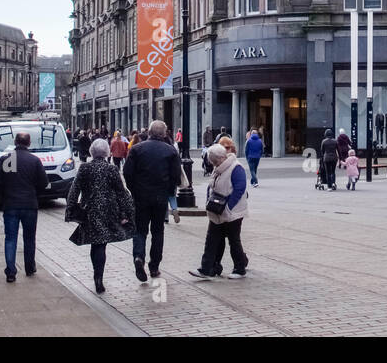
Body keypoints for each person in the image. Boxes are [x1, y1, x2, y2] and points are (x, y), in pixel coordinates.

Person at [66, 138, 135, 294]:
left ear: (91, 152)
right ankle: (99, 278)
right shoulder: (111, 169)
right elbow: (121, 192)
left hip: (89, 211)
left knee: (95, 243)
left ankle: (97, 276)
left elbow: (74, 189)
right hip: (108, 211)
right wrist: (128, 210)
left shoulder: (84, 168)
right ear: (106, 153)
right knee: (101, 243)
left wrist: (71, 209)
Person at [121, 120, 182, 282]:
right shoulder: (170, 151)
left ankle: (138, 257)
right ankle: (154, 266)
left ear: (148, 132)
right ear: (164, 134)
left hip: (141, 196)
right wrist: (168, 192)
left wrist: (134, 190)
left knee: (140, 230)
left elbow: (127, 173)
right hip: (160, 197)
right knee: (158, 231)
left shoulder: (136, 149)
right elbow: (175, 176)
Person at [0, 132, 49, 282]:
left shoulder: (5, 159)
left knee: (10, 238)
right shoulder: (34, 161)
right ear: (29, 143)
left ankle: (11, 271)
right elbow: (44, 183)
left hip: (10, 204)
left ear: (15, 142)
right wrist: (34, 193)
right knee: (29, 238)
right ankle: (29, 267)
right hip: (29, 204)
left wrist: (2, 198)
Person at [189, 143, 250, 280]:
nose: (213, 164)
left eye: (214, 161)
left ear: (220, 158)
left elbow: (240, 189)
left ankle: (240, 268)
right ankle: (207, 268)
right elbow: (212, 186)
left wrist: (228, 207)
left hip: (232, 212)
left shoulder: (235, 167)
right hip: (217, 210)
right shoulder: (219, 167)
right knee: (212, 239)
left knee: (234, 240)